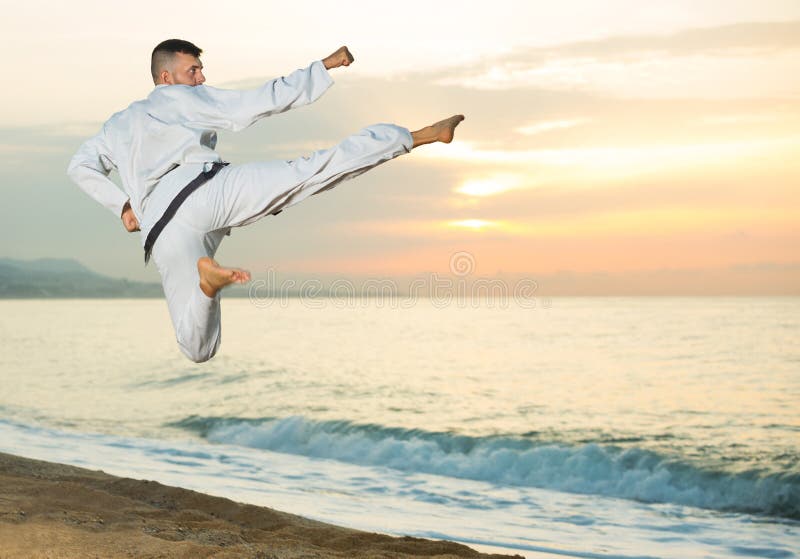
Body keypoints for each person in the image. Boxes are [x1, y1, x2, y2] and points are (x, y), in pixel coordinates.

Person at [67, 39, 464, 363]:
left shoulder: (115, 126)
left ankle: (207, 287)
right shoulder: (179, 97)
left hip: (162, 228)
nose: (201, 78)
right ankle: (416, 136)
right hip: (207, 190)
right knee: (310, 171)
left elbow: (79, 166)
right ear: (165, 77)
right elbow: (257, 102)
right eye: (193, 71)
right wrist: (323, 67)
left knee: (196, 348)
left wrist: (122, 206)